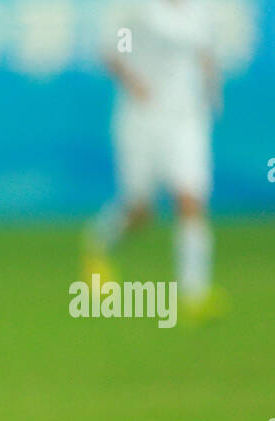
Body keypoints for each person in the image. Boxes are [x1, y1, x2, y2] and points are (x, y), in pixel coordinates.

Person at [84, 0, 224, 321]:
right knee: (140, 209)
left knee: (190, 197)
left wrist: (212, 91)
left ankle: (194, 294)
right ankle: (98, 244)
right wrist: (136, 84)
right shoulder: (134, 8)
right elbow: (110, 51)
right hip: (141, 117)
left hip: (186, 118)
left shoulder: (200, 10)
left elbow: (205, 52)